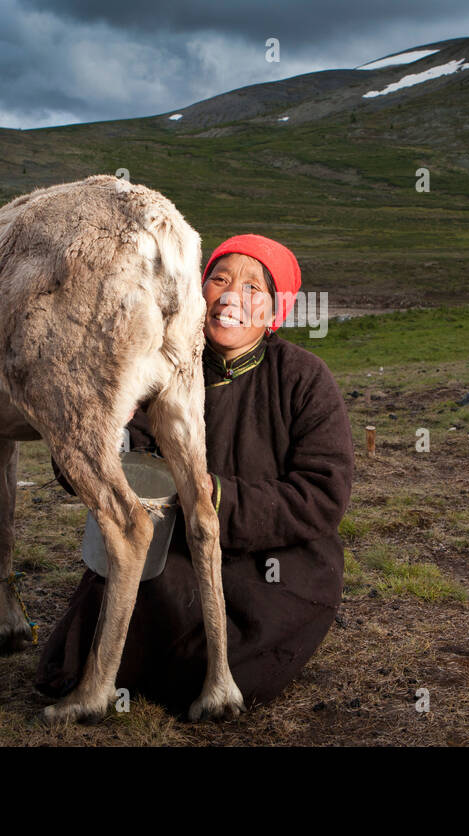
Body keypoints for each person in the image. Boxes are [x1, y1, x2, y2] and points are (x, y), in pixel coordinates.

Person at [35, 234, 354, 715]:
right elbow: (121, 467)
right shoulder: (160, 367)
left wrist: (215, 493)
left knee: (217, 654)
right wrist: (94, 433)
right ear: (196, 292)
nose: (230, 297)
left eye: (252, 289)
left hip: (274, 564)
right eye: (219, 281)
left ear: (275, 311)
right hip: (176, 549)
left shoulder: (303, 379)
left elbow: (323, 494)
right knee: (98, 636)